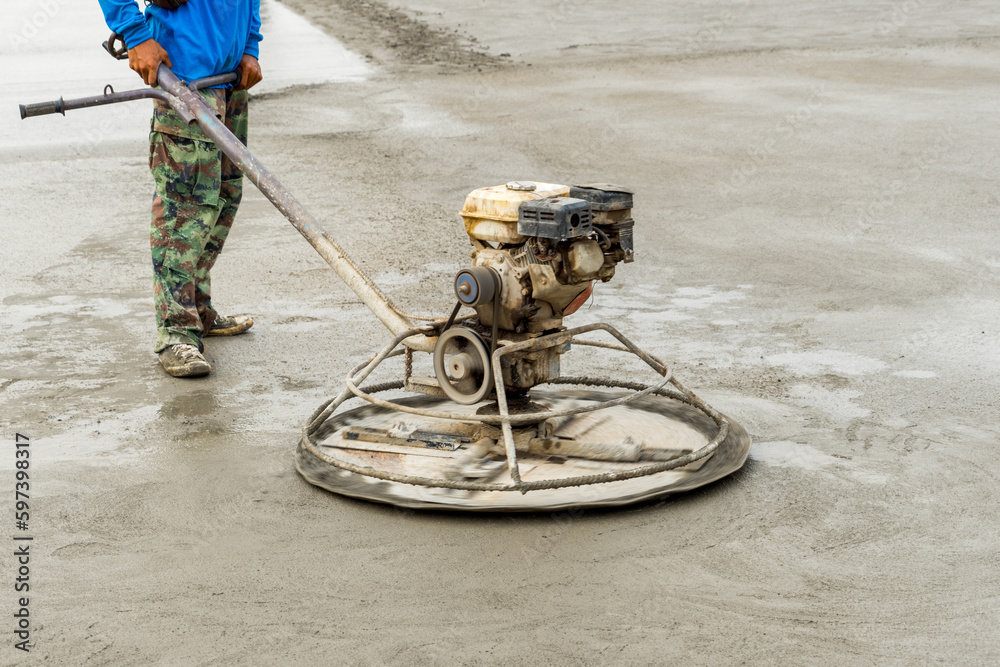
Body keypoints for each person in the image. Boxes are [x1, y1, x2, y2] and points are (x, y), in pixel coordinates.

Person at [98, 0, 264, 377]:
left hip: (230, 76)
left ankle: (198, 310)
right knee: (185, 209)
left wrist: (251, 45)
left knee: (223, 198)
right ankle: (176, 333)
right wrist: (137, 35)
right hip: (185, 77)